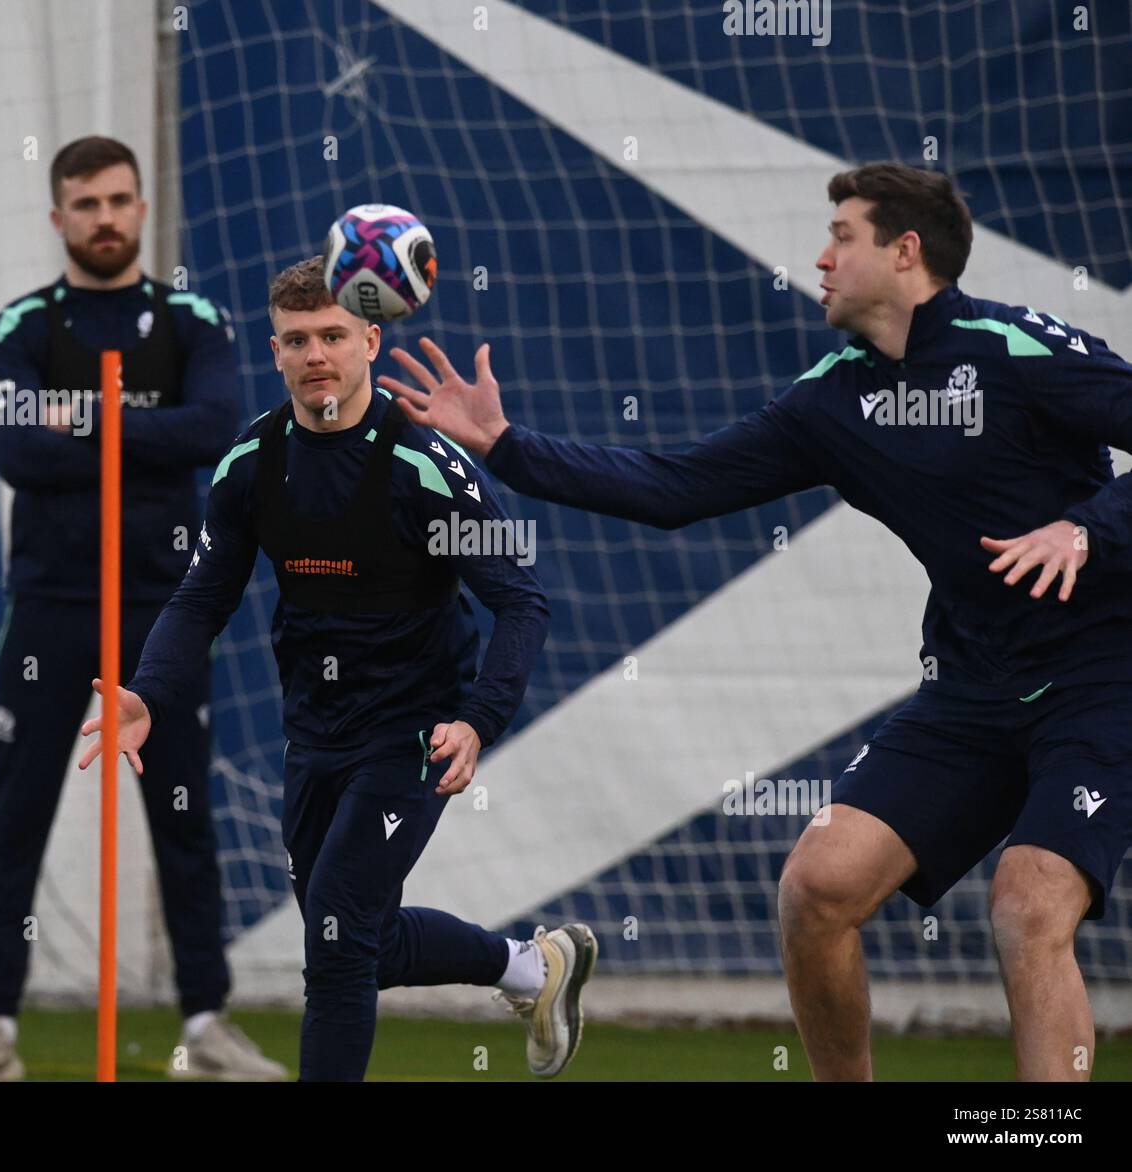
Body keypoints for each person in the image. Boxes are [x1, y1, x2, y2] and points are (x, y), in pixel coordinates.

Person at [378, 162, 1132, 1082]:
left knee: (1027, 906)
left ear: (907, 252)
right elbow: (676, 489)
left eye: (843, 237)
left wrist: (1088, 530)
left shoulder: (1015, 348)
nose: (820, 259)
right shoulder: (832, 400)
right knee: (816, 889)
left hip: (1102, 673)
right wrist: (507, 447)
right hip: (973, 684)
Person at [78, 255, 597, 1082]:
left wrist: (478, 718)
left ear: (368, 339)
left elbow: (521, 600)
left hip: (415, 732)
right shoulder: (250, 462)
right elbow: (201, 597)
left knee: (337, 944)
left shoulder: (424, 465)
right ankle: (532, 969)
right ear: (274, 350)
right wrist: (147, 691)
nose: (314, 353)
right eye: (296, 340)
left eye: (331, 336)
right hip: (313, 732)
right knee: (358, 937)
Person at [0, 136, 284, 1082]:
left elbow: (212, 431)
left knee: (184, 816)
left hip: (165, 609)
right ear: (58, 218)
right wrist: (139, 429)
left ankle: (207, 1024)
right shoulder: (22, 324)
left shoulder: (191, 319)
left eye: (120, 200)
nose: (105, 218)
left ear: (142, 208)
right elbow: (14, 453)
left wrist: (81, 415)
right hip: (48, 606)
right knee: (16, 818)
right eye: (85, 203)